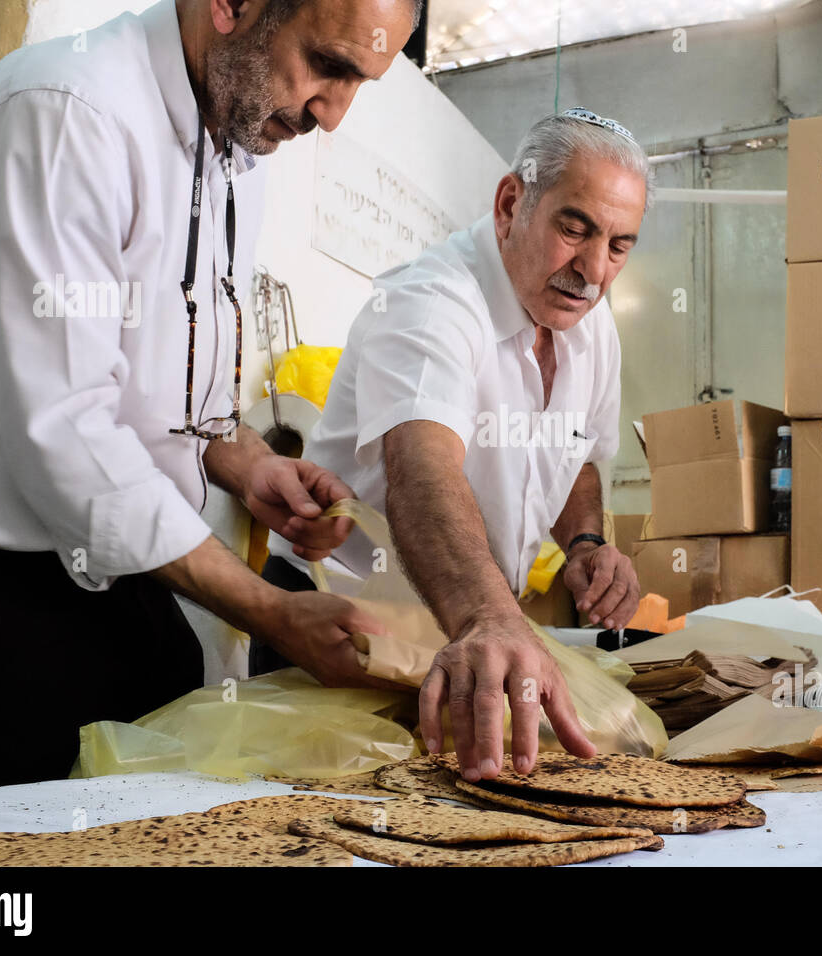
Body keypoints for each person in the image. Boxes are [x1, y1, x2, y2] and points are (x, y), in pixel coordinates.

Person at [0, 0, 420, 805]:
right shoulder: (65, 118)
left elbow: (164, 386)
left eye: (359, 83)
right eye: (329, 65)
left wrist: (246, 463)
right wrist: (275, 613)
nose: (333, 114)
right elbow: (67, 436)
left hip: (116, 589)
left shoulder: (235, 150)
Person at [262, 109, 654, 781]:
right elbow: (422, 469)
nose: (593, 269)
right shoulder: (429, 302)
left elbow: (580, 452)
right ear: (511, 203)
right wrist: (491, 618)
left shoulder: (594, 331)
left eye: (619, 245)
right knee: (333, 827)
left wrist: (584, 545)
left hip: (466, 629)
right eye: (574, 227)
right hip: (342, 628)